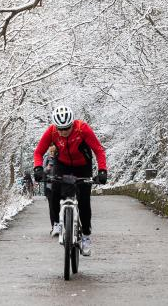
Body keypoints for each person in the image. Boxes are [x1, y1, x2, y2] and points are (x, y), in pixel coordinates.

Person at [33, 105, 108, 257]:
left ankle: (86, 236)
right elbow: (38, 152)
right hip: (63, 164)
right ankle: (56, 224)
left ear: (72, 124)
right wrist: (38, 168)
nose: (63, 132)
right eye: (60, 129)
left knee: (84, 201)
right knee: (54, 190)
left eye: (66, 128)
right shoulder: (52, 131)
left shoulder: (82, 129)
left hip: (83, 165)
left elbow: (99, 150)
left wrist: (102, 171)